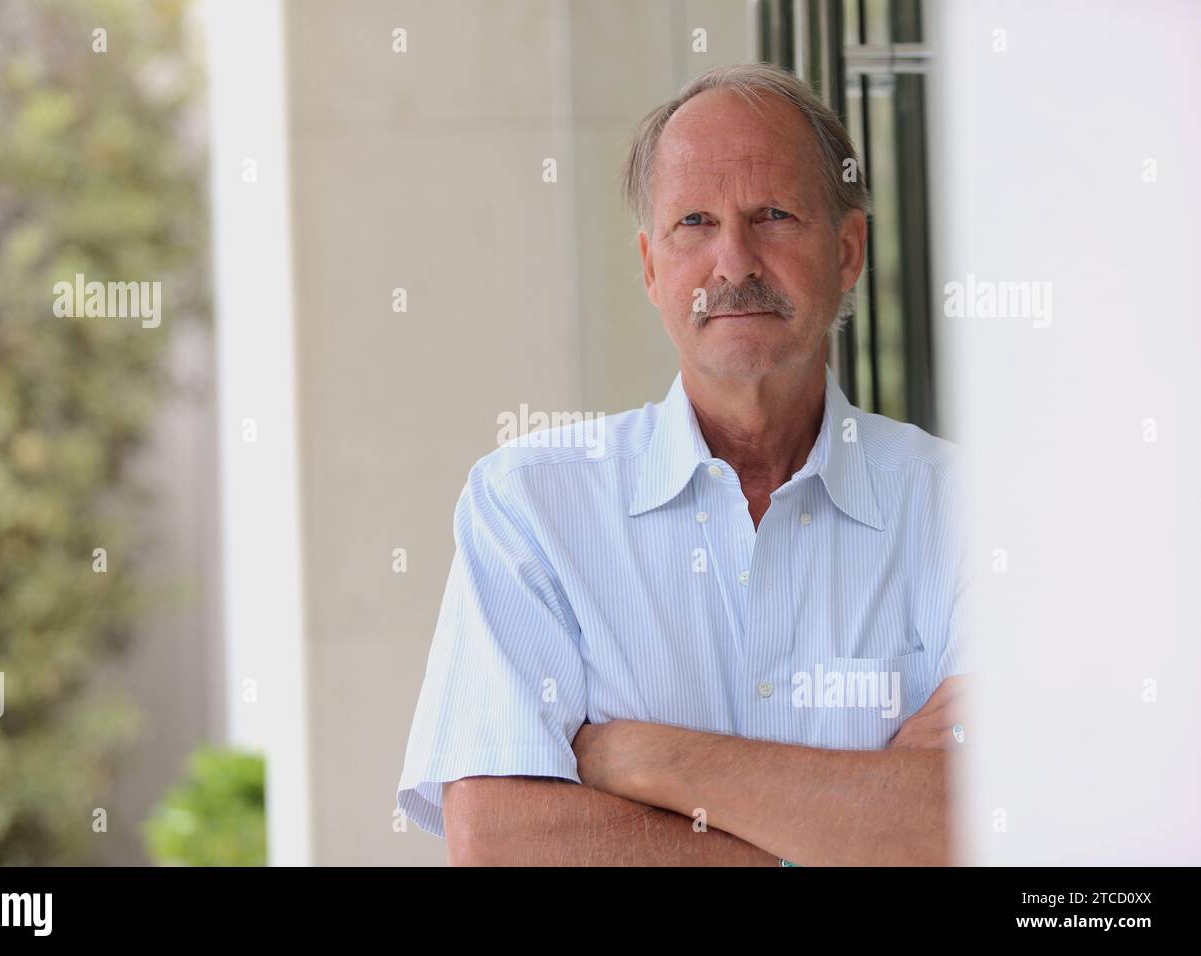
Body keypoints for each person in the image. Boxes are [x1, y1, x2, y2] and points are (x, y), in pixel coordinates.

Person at [396, 62, 970, 866]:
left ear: (848, 251)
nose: (733, 264)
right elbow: (500, 841)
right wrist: (856, 823)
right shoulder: (529, 508)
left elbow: (982, 823)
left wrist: (643, 760)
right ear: (650, 267)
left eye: (773, 215)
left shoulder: (969, 510)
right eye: (694, 223)